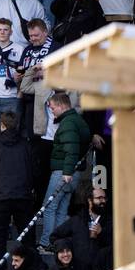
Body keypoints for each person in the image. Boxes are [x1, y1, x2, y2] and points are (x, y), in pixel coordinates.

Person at [0, 111, 37, 261]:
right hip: (23, 196)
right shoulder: (26, 144)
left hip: (1, 196)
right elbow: (35, 170)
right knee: (27, 237)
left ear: (2, 125)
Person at [41, 93, 89, 240]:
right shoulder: (76, 120)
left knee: (49, 207)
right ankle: (59, 242)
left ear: (61, 106)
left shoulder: (68, 123)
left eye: (53, 108)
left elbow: (72, 149)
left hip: (63, 172)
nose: (52, 111)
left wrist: (67, 172)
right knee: (61, 209)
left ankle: (46, 242)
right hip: (73, 173)